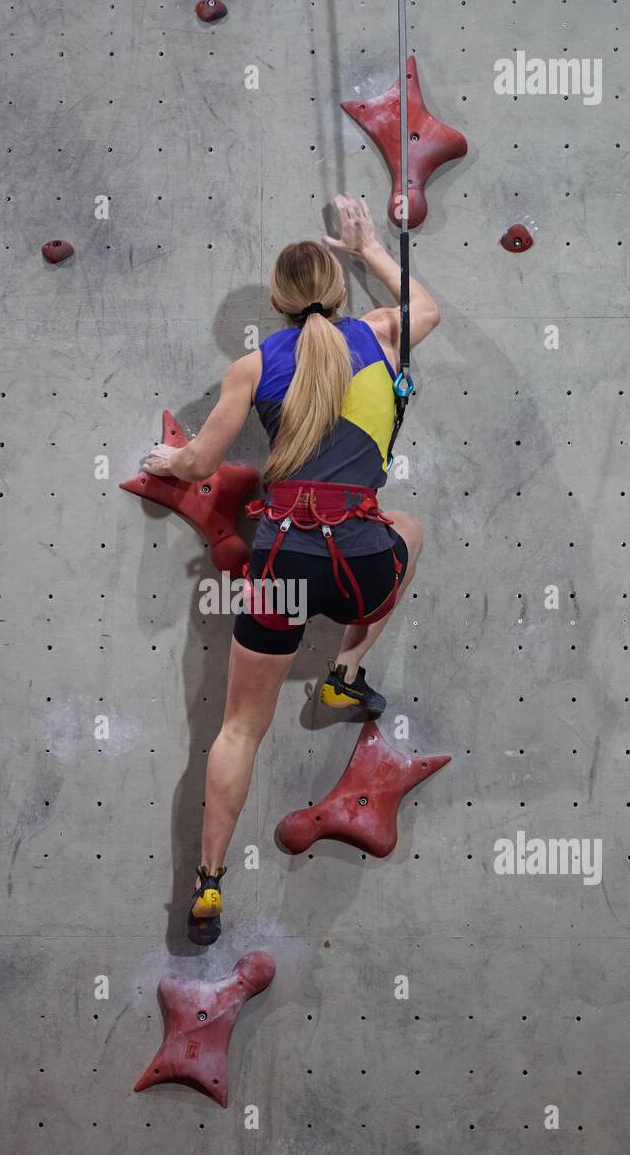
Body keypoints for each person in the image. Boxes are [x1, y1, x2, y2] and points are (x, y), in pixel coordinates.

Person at [141, 194, 439, 944]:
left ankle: (208, 889)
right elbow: (427, 308)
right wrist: (369, 246)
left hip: (282, 558)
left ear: (275, 302)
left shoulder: (253, 365)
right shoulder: (378, 337)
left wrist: (167, 460)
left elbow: (201, 461)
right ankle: (345, 670)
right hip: (362, 559)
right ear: (338, 296)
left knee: (237, 730)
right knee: (409, 527)